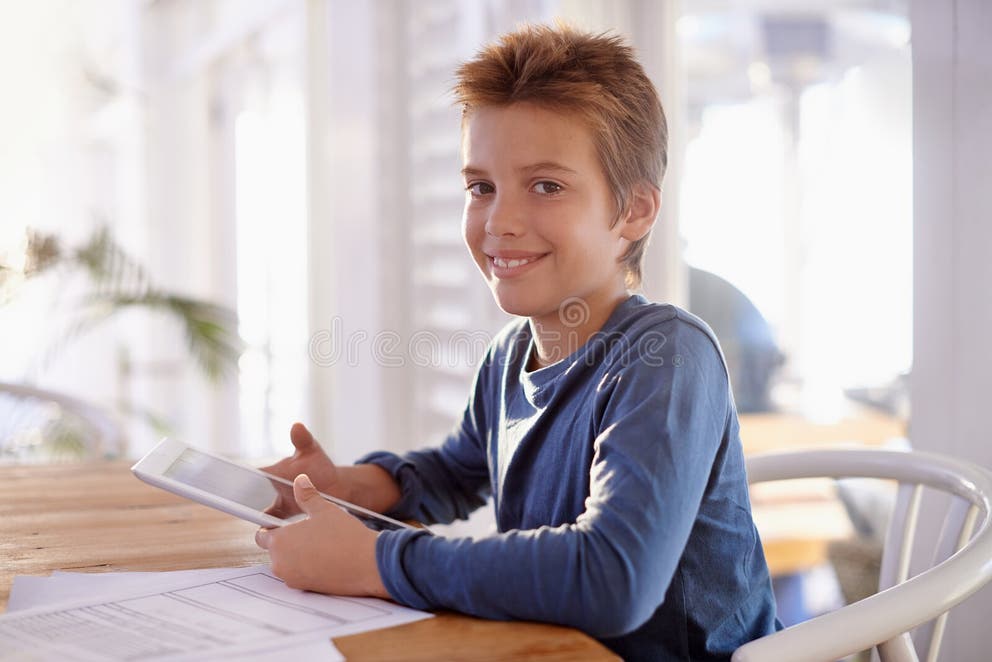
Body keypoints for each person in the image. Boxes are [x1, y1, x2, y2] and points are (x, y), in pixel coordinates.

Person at [255, 23, 780, 661]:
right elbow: (455, 472)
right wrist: (342, 485)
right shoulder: (511, 355)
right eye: (481, 187)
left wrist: (374, 561)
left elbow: (612, 579)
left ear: (634, 211)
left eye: (547, 186)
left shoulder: (667, 358)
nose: (500, 222)